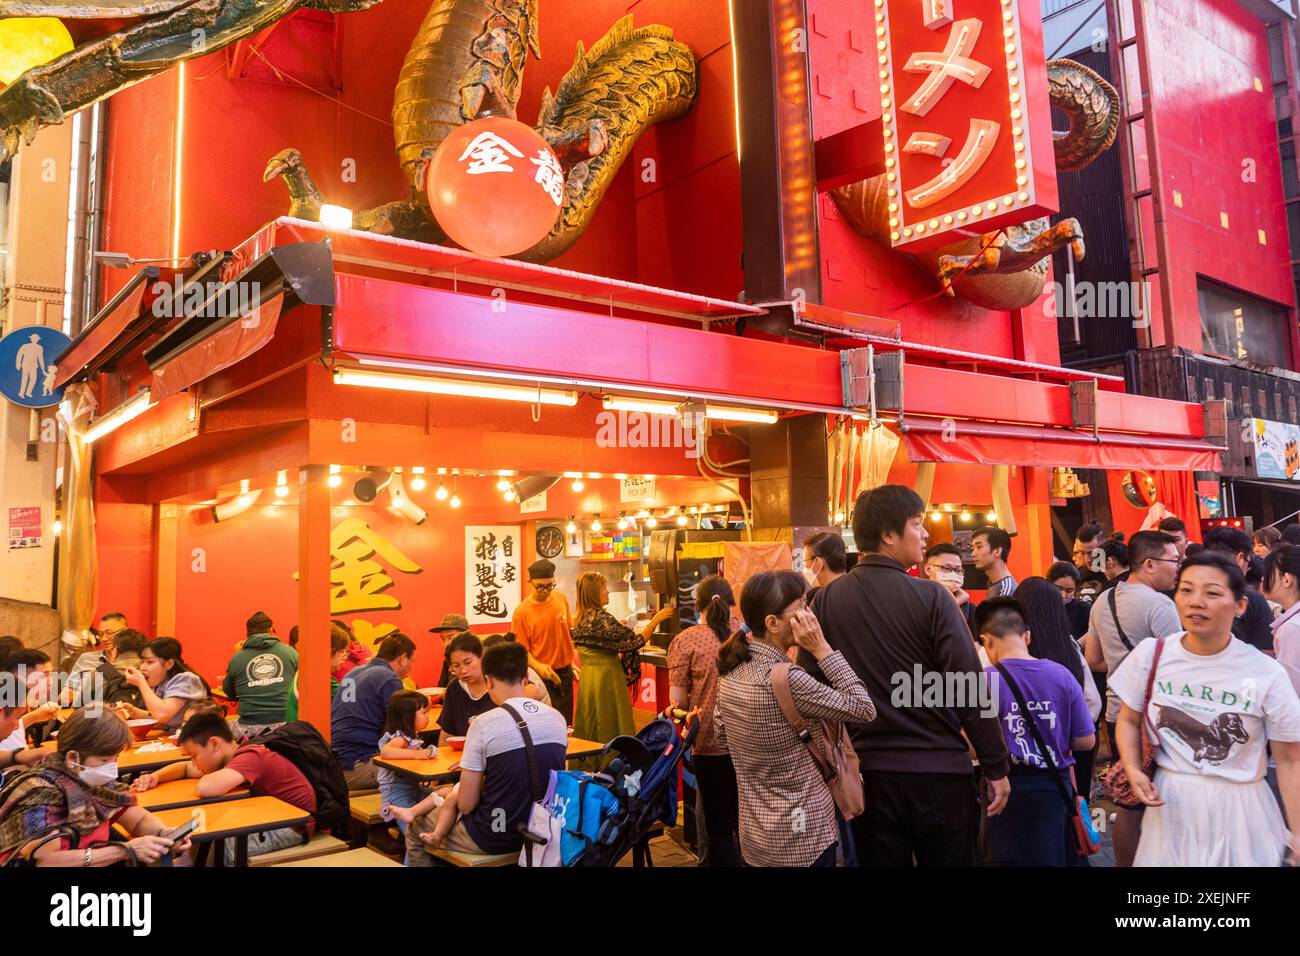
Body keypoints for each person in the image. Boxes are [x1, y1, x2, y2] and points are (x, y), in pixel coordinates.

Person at [805, 485, 1009, 866]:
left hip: (870, 777)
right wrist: (996, 765)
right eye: (917, 524)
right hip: (941, 774)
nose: (926, 535)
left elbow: (809, 686)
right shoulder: (933, 598)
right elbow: (967, 688)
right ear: (888, 534)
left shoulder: (826, 601)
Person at [1112, 552, 1300, 866]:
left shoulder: (1265, 672)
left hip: (1242, 809)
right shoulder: (1152, 654)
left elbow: (1290, 759)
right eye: (1186, 590)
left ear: (1240, 605)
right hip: (1171, 806)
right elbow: (1128, 720)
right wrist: (1132, 769)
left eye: (1212, 592)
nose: (1196, 601)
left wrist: (1297, 832)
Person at [717, 570, 876, 867]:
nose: (809, 614)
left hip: (756, 832)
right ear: (772, 623)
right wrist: (821, 648)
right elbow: (863, 707)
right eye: (801, 606)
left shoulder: (731, 670)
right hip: (804, 833)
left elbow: (722, 735)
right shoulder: (787, 678)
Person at [397, 642, 568, 863]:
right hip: (546, 830)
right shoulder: (557, 718)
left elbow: (467, 805)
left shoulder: (483, 724)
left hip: (495, 836)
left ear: (488, 680)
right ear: (526, 678)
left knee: (417, 824)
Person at [1081, 529, 1179, 867]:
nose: (1177, 568)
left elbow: (1094, 660)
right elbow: (1178, 667)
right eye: (1173, 561)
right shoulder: (1160, 605)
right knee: (1163, 799)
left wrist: (1125, 661)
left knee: (1128, 804)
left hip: (1116, 710)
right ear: (1149, 564)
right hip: (1154, 716)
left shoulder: (1103, 600)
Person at [977, 599, 1095, 866]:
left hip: (1003, 789)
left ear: (987, 641)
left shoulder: (982, 680)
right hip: (1054, 787)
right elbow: (1086, 741)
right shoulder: (1062, 675)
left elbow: (974, 746)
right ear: (1027, 636)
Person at [0, 708, 193, 866]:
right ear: (72, 758)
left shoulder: (97, 785)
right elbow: (46, 860)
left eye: (115, 758)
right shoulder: (40, 792)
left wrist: (163, 833)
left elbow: (138, 820)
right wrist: (123, 851)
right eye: (104, 759)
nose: (112, 767)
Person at [134, 710, 317, 863]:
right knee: (203, 836)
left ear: (214, 744)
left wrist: (206, 775)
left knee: (218, 846)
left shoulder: (251, 756)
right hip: (270, 819)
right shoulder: (234, 754)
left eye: (194, 755)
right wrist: (155, 776)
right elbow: (184, 769)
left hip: (293, 827)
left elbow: (207, 788)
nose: (194, 763)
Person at [668, 574, 740, 867]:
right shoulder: (745, 634)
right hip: (748, 736)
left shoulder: (687, 640)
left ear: (698, 605)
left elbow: (678, 701)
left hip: (709, 740)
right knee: (745, 818)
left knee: (718, 825)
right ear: (730, 602)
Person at [1014, 577, 1103, 803]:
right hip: (1063, 759)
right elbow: (1092, 705)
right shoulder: (1069, 647)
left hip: (1016, 765)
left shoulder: (1006, 651)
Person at [572, 571, 673, 746]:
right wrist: (656, 620)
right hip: (607, 680)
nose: (607, 592)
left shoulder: (580, 619)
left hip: (589, 681)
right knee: (610, 722)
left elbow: (603, 640)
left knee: (591, 723)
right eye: (604, 588)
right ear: (595, 592)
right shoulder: (603, 620)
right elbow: (635, 641)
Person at [330, 632, 416, 790]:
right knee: (415, 771)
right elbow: (400, 729)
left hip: (334, 764)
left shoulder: (353, 672)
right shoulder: (389, 678)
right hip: (358, 764)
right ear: (403, 658)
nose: (411, 666)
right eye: (412, 660)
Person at [511, 559, 577, 723]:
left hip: (565, 672)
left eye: (549, 585)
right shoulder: (522, 612)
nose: (545, 590)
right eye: (540, 586)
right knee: (546, 722)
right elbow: (521, 651)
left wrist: (571, 662)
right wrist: (539, 666)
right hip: (541, 676)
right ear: (530, 582)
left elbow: (567, 633)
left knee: (566, 722)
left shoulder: (560, 599)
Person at [223, 611, 299, 737]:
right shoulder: (291, 653)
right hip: (286, 724)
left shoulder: (237, 659)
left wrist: (237, 654)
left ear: (247, 635)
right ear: (270, 630)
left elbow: (229, 692)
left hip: (249, 728)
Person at [1204, 525, 1276, 654]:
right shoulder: (1252, 598)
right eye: (1248, 562)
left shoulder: (1186, 592)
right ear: (1240, 558)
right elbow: (1267, 653)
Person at [374, 690, 435, 836]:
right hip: (396, 794)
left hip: (412, 788)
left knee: (443, 797)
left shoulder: (412, 737)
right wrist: (416, 754)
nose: (428, 717)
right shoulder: (400, 738)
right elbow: (386, 752)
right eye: (424, 713)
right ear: (408, 717)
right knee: (413, 834)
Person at [118, 637, 210, 732]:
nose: (142, 667)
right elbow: (161, 720)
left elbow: (162, 715)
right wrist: (134, 712)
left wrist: (141, 683)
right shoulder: (161, 682)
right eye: (142, 662)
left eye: (150, 662)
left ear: (169, 664)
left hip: (196, 738)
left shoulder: (187, 679)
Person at [437, 632, 497, 738]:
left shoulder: (500, 680)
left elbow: (531, 690)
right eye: (456, 665)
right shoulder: (454, 688)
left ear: (482, 657)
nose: (463, 670)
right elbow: (447, 734)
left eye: (468, 662)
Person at [1263, 546, 1300, 696]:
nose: (1263, 579)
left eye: (1268, 574)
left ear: (1286, 580)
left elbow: (1292, 687)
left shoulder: (1291, 628)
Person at [923, 543, 977, 636]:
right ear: (928, 569)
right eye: (946, 568)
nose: (953, 574)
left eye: (958, 570)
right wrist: (955, 602)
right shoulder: (916, 601)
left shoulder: (969, 609)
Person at [1048, 560, 1091, 640]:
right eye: (1058, 588)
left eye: (1069, 591)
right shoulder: (1040, 608)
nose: (1063, 595)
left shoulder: (1083, 609)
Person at [972, 526, 1016, 598]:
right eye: (973, 548)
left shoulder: (1006, 590)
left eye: (979, 547)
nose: (973, 554)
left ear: (997, 551)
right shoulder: (993, 585)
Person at [429, 613, 470, 687]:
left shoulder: (479, 661)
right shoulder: (447, 662)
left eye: (450, 637)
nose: (446, 644)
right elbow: (441, 688)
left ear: (467, 635)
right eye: (442, 639)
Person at [802, 530, 848, 597]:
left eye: (805, 560)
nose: (804, 565)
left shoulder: (822, 599)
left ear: (818, 563)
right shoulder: (860, 587)